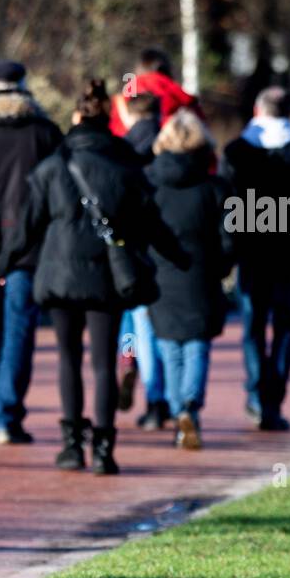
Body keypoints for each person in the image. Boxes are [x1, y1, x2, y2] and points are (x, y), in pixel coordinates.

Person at [1, 79, 180, 474]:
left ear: (77, 116)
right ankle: (103, 451)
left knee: (68, 358)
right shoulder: (126, 164)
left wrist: (0, 264)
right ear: (107, 118)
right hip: (108, 276)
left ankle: (71, 447)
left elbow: (28, 225)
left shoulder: (52, 165)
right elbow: (151, 222)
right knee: (103, 363)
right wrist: (178, 257)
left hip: (60, 273)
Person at [220, 86, 290, 431]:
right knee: (286, 327)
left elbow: (226, 206)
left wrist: (228, 249)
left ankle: (257, 393)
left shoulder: (237, 152)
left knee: (253, 327)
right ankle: (273, 398)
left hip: (252, 254)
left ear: (258, 109)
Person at [0, 59, 63, 445]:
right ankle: (6, 413)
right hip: (29, 251)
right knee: (19, 335)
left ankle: (0, 410)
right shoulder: (46, 133)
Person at [145, 111, 234, 449]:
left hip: (161, 274)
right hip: (202, 273)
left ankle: (176, 406)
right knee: (197, 344)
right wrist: (224, 266)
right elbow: (230, 235)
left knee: (169, 347)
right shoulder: (215, 188)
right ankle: (190, 406)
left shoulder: (150, 183)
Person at [117, 91, 169, 431]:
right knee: (155, 325)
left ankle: (128, 359)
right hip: (164, 247)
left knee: (131, 319)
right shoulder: (172, 145)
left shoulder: (122, 150)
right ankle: (158, 396)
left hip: (128, 248)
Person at [109, 48, 204, 137]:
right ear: (167, 69)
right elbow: (201, 136)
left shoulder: (123, 98)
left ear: (139, 68)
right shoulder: (180, 96)